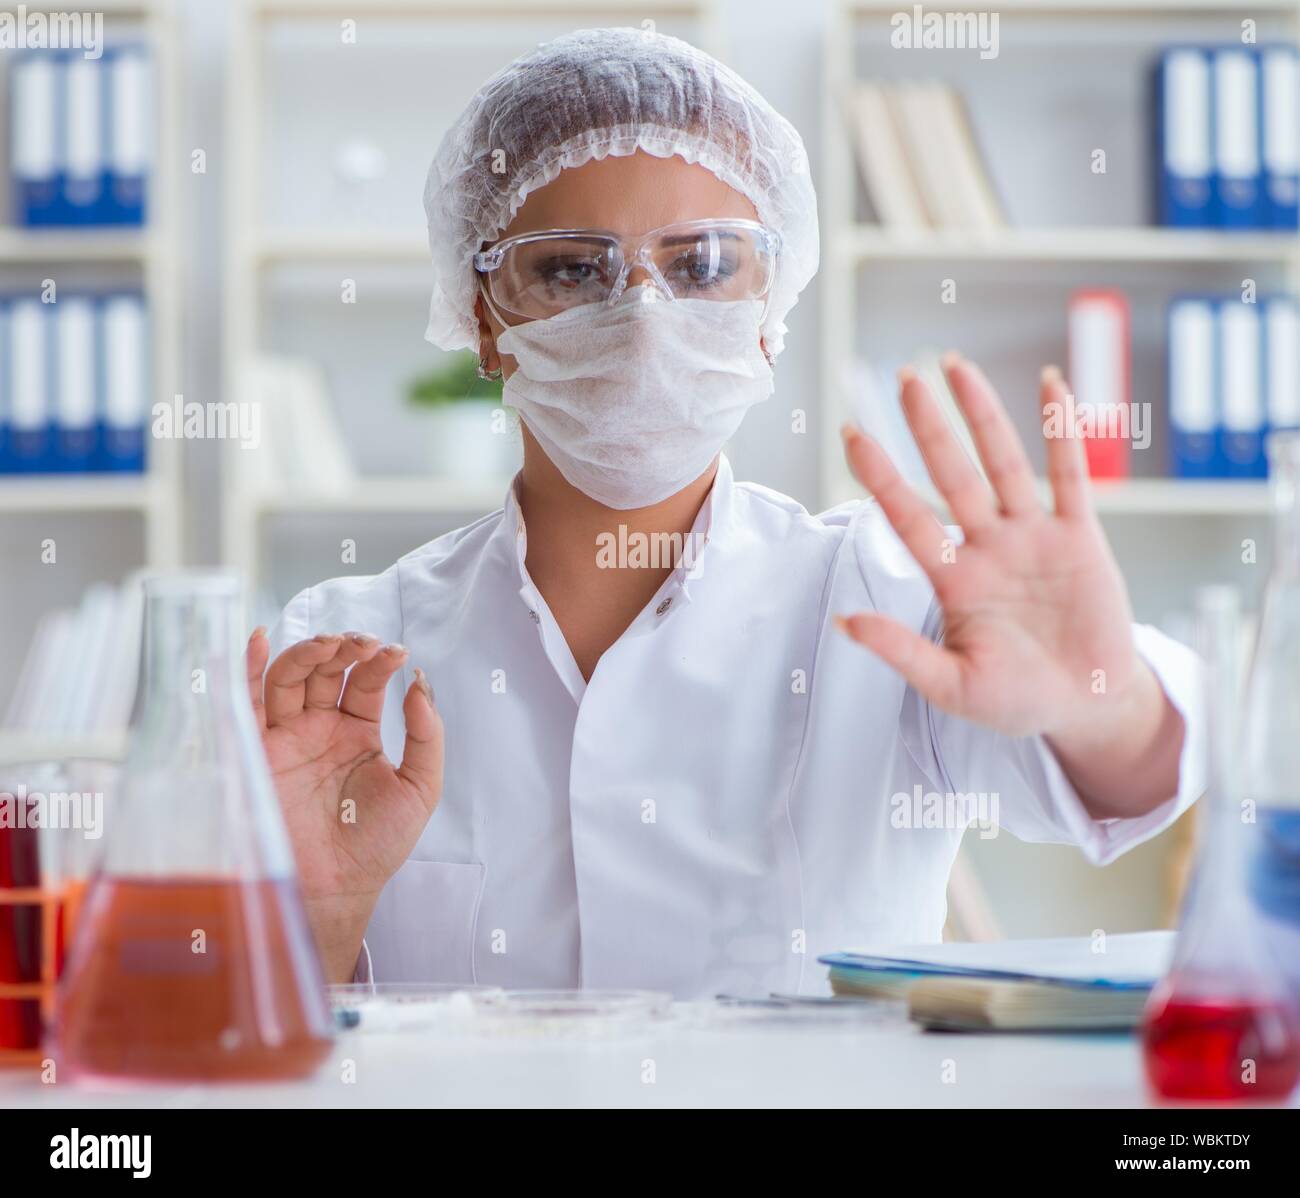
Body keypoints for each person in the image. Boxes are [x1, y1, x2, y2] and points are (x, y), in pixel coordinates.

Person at [246, 28, 1202, 998]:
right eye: (572, 268)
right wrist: (314, 925)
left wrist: (1099, 692)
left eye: (701, 264)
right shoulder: (336, 656)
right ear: (484, 318)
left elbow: (1127, 778)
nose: (642, 314)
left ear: (769, 313)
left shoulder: (892, 602)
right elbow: (223, 1051)